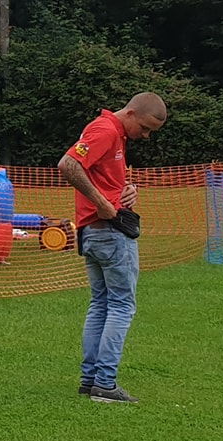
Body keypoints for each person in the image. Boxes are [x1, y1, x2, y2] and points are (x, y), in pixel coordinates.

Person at [58, 92, 168, 403]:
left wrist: (122, 192)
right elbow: (68, 165)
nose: (145, 136)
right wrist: (104, 203)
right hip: (107, 233)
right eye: (145, 128)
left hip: (93, 233)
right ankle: (105, 384)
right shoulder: (105, 130)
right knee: (121, 306)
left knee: (101, 304)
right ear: (131, 113)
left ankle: (90, 380)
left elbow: (97, 174)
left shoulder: (111, 132)